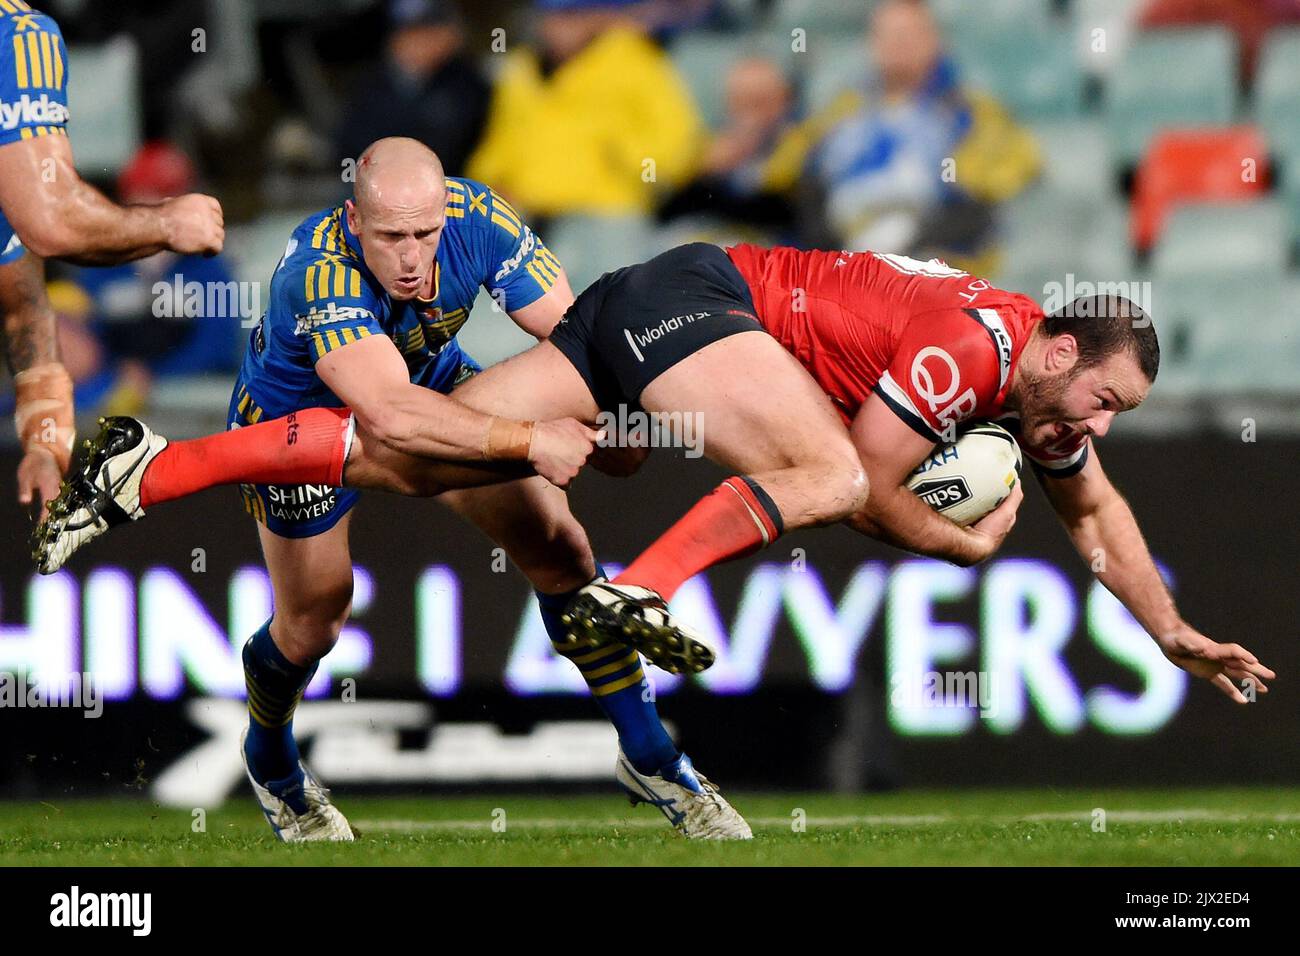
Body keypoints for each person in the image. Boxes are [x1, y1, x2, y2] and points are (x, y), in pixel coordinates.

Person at [40, 245, 1275, 812]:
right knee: (831, 476)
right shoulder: (975, 350)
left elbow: (1100, 516)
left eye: (1118, 414)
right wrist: (953, 543)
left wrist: (1171, 632)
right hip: (700, 306)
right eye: (1101, 396)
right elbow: (865, 482)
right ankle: (650, 587)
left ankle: (154, 468)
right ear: (1060, 349)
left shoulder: (1035, 392)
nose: (1098, 427)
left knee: (424, 452)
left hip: (653, 302)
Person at [38, 136, 756, 842]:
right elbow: (391, 420)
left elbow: (577, 336)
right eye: (390, 237)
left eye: (425, 233)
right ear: (355, 223)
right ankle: (270, 758)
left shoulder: (484, 220)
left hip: (422, 381)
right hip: (301, 421)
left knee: (561, 549)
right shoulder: (320, 272)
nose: (412, 258)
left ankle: (654, 759)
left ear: (446, 211)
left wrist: (611, 409)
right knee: (314, 622)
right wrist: (537, 439)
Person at [0, 3, 224, 519]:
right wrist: (165, 223)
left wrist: (43, 439)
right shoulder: (18, 33)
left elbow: (26, 308)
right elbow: (52, 222)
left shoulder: (206, 275)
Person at [467, 0, 702, 218]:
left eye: (571, 15)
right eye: (549, 15)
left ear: (597, 16)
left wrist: (624, 157)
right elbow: (501, 139)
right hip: (527, 208)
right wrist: (489, 183)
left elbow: (678, 140)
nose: (557, 27)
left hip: (604, 210)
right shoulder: (521, 69)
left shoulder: (635, 62)